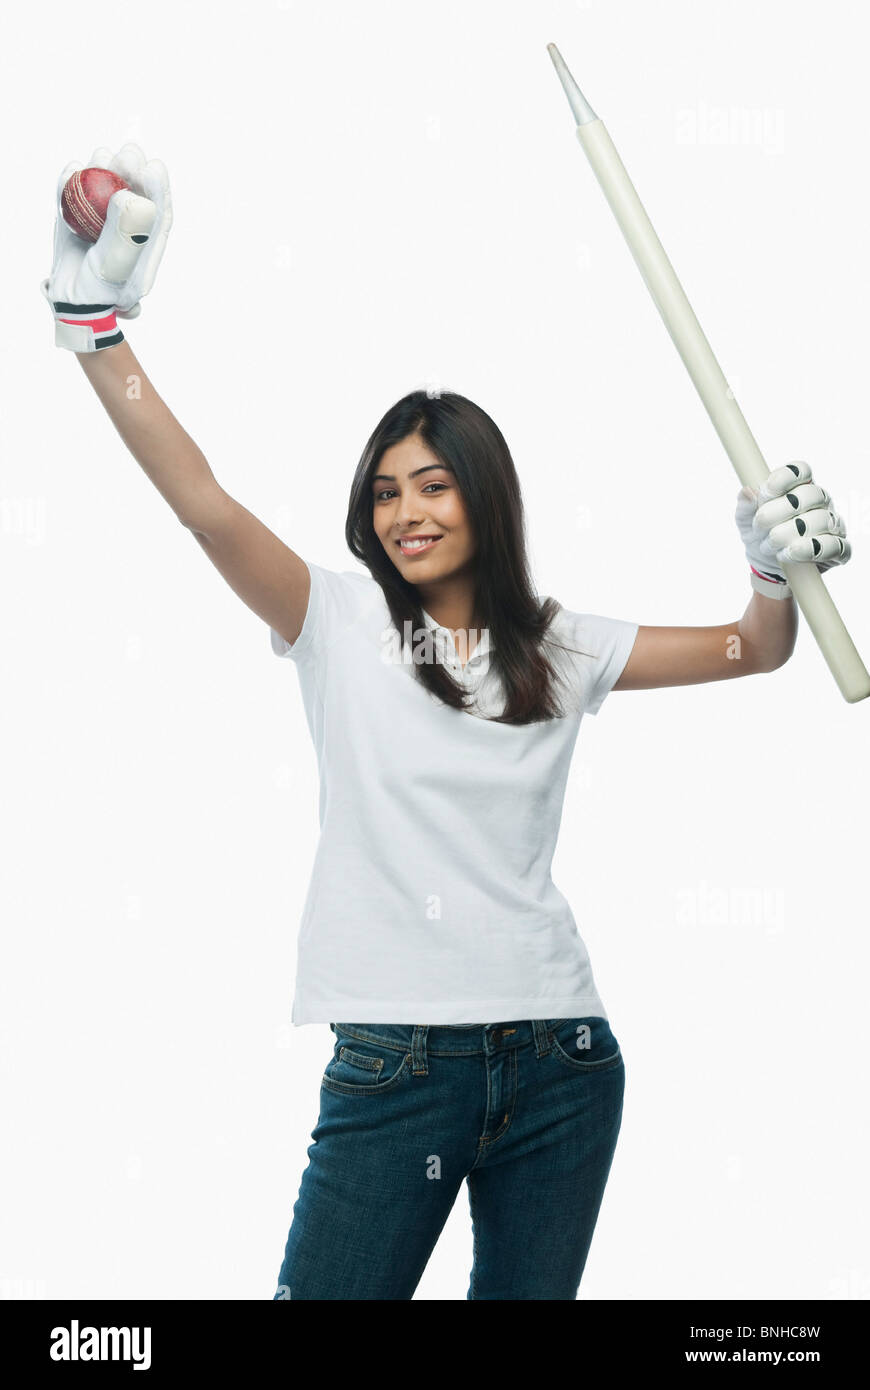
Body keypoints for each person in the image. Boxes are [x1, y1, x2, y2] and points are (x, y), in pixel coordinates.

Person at [41, 144, 852, 1301]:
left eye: (433, 483)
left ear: (485, 492)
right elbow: (204, 503)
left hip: (564, 1055)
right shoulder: (332, 615)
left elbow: (753, 651)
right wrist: (97, 334)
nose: (407, 510)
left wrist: (773, 572)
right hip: (394, 1066)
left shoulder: (563, 645)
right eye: (386, 489)